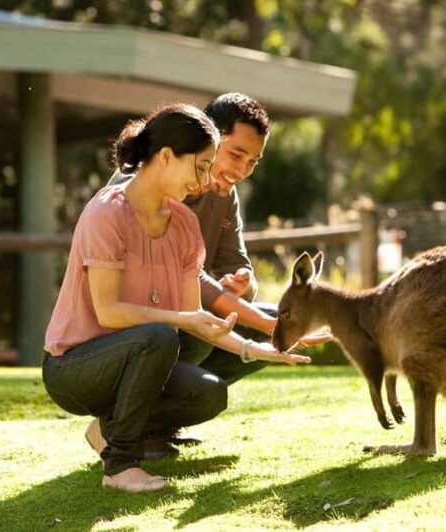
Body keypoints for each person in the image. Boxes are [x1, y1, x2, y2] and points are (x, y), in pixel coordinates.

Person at [42, 104, 310, 493]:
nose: (206, 179)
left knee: (208, 393)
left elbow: (196, 315)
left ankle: (112, 430)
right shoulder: (107, 212)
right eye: (201, 166)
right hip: (75, 366)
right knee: (161, 335)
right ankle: (119, 466)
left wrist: (254, 348)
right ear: (167, 156)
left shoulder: (183, 223)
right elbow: (110, 312)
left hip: (141, 348)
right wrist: (183, 320)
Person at [107, 94, 330, 456]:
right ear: (208, 137)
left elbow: (234, 265)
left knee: (272, 321)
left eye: (253, 162)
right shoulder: (151, 183)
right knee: (225, 332)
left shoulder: (226, 194)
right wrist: (256, 319)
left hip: (187, 318)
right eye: (235, 154)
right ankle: (122, 420)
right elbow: (186, 280)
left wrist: (243, 282)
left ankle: (156, 424)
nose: (241, 170)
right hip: (135, 330)